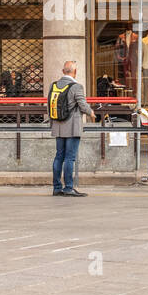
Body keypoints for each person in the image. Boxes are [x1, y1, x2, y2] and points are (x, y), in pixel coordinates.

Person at [49, 60, 95, 197]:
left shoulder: (54, 85)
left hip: (58, 126)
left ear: (63, 72)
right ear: (75, 72)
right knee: (70, 158)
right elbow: (82, 104)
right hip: (72, 127)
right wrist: (91, 113)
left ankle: (57, 187)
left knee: (59, 157)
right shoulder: (76, 87)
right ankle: (68, 188)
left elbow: (49, 105)